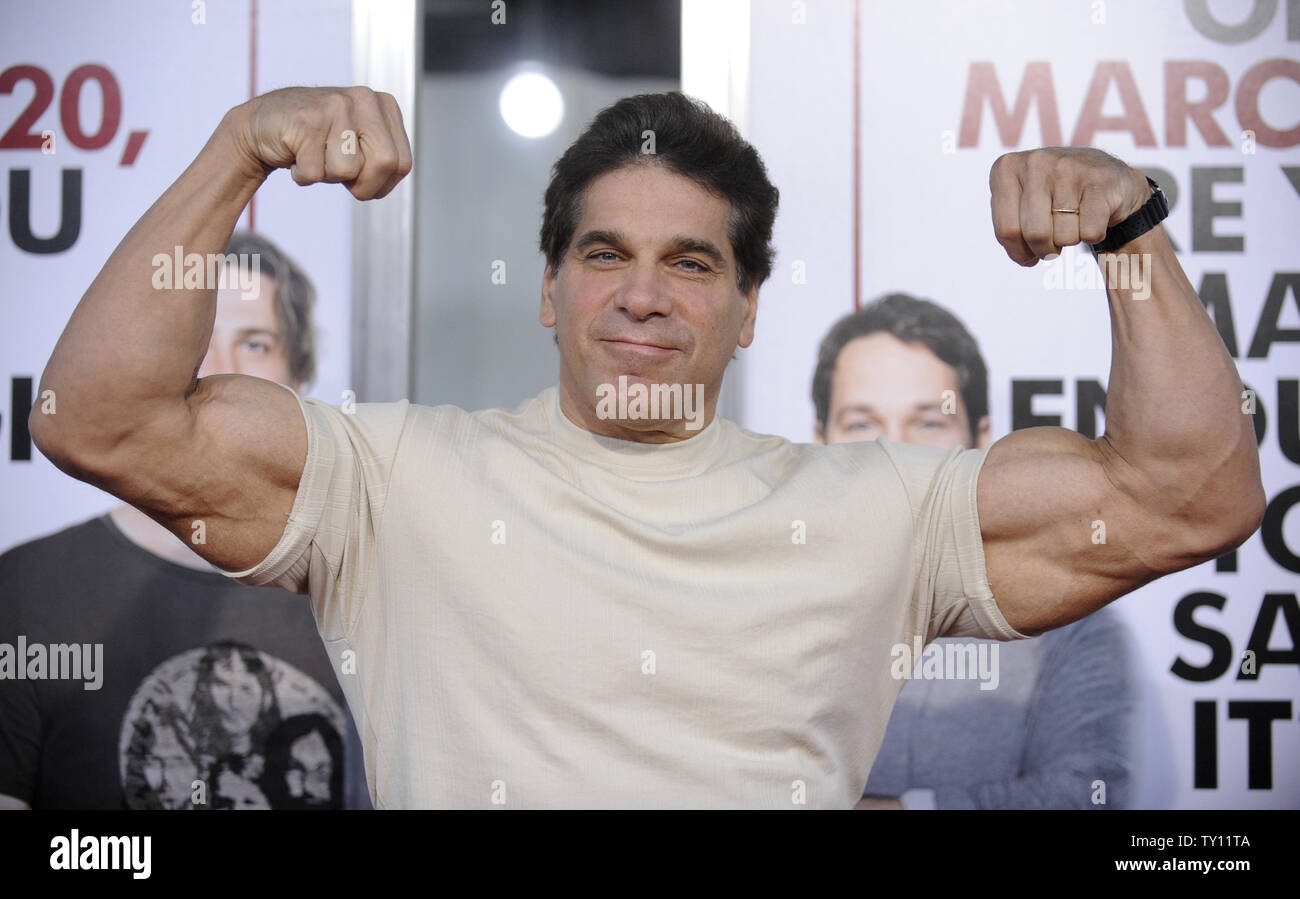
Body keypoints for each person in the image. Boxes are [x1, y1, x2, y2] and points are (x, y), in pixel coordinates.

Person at [28, 87, 1263, 808]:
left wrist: (1133, 232)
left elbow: (1186, 498)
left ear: (748, 308)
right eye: (604, 255)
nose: (641, 295)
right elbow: (99, 418)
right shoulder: (387, 478)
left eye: (691, 262)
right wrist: (236, 148)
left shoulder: (878, 506)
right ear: (550, 292)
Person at [0, 233, 369, 809]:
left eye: (253, 343)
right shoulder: (27, 586)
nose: (217, 371)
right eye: (194, 339)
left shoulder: (364, 585)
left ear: (299, 379)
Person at [813, 293, 1136, 809]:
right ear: (820, 442)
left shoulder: (1071, 620)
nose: (893, 452)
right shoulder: (765, 606)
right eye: (860, 424)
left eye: (928, 422)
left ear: (981, 441)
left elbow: (1090, 797)